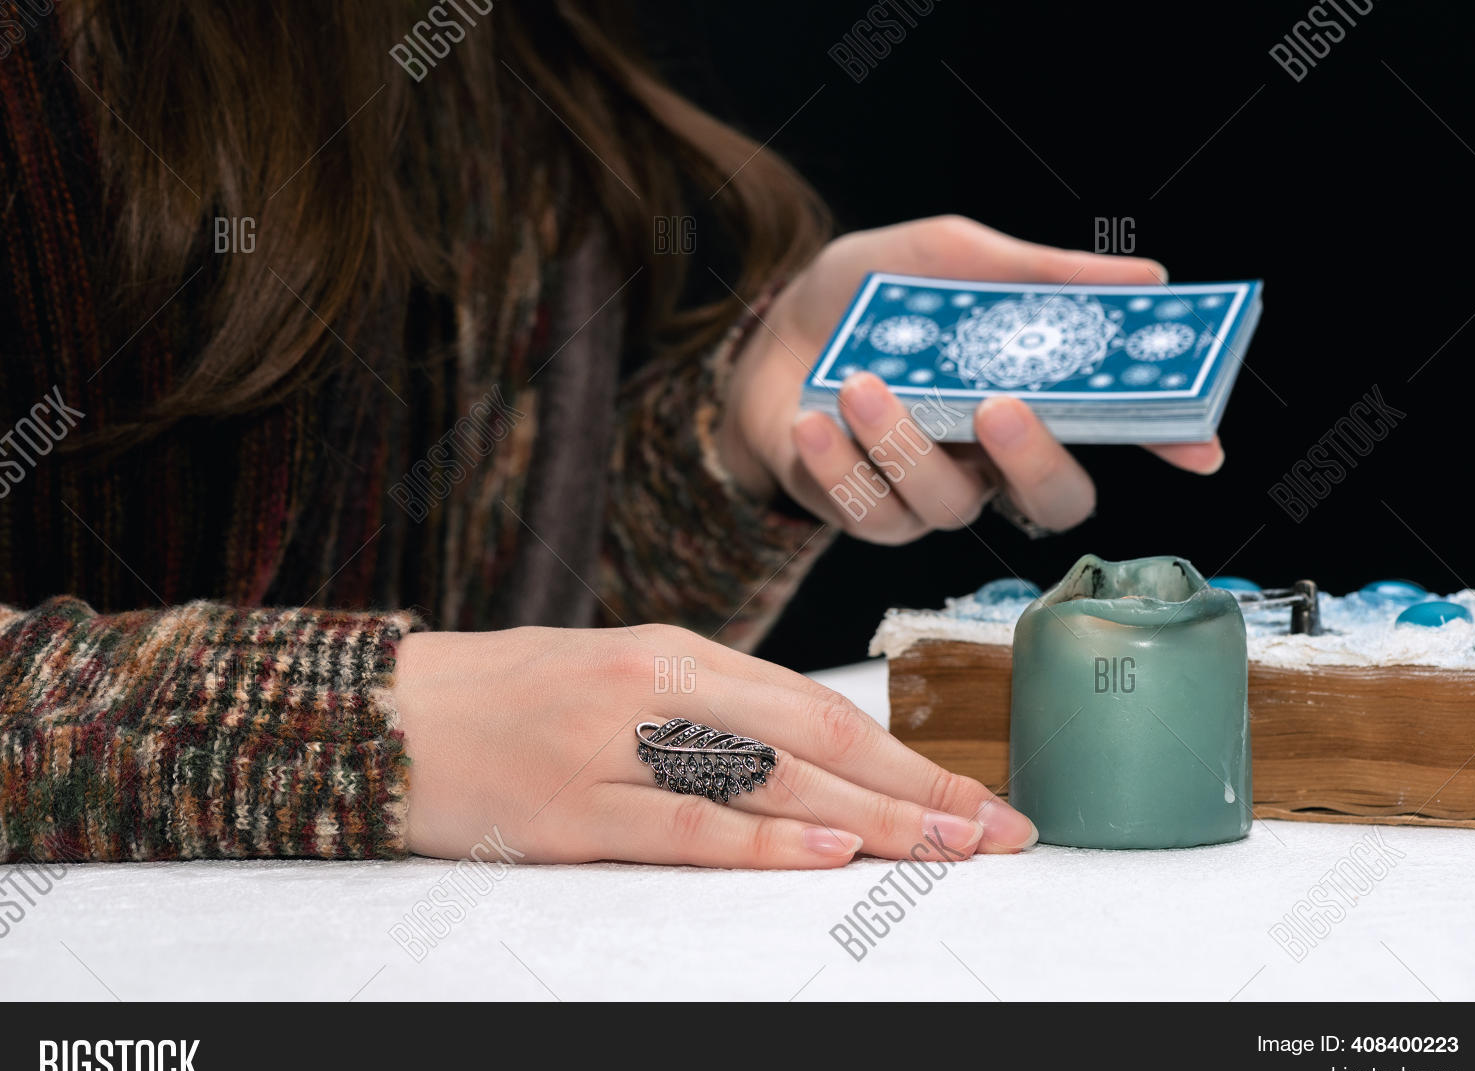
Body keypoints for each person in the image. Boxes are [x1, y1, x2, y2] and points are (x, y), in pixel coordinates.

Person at [0, 1, 1221, 869]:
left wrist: (737, 452)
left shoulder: (487, 63)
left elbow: (525, 689)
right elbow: (461, 715)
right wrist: (360, 721)